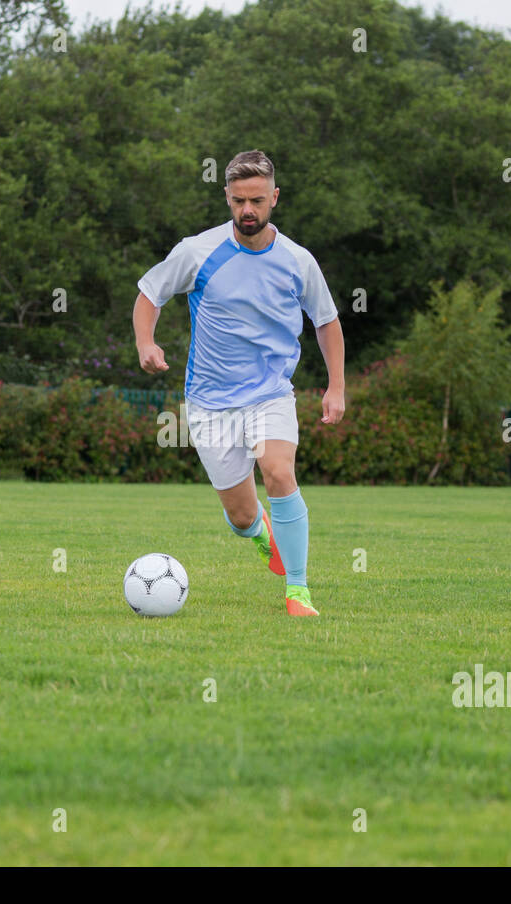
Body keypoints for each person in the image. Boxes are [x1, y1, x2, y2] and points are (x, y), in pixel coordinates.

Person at [132, 150, 346, 616]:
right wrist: (146, 343)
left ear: (274, 198)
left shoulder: (298, 260)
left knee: (279, 472)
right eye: (238, 201)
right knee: (243, 516)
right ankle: (262, 535)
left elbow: (326, 321)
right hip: (209, 403)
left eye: (257, 200)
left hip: (270, 392)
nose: (247, 210)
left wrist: (336, 387)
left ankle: (298, 591)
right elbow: (149, 294)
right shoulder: (197, 251)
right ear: (227, 197)